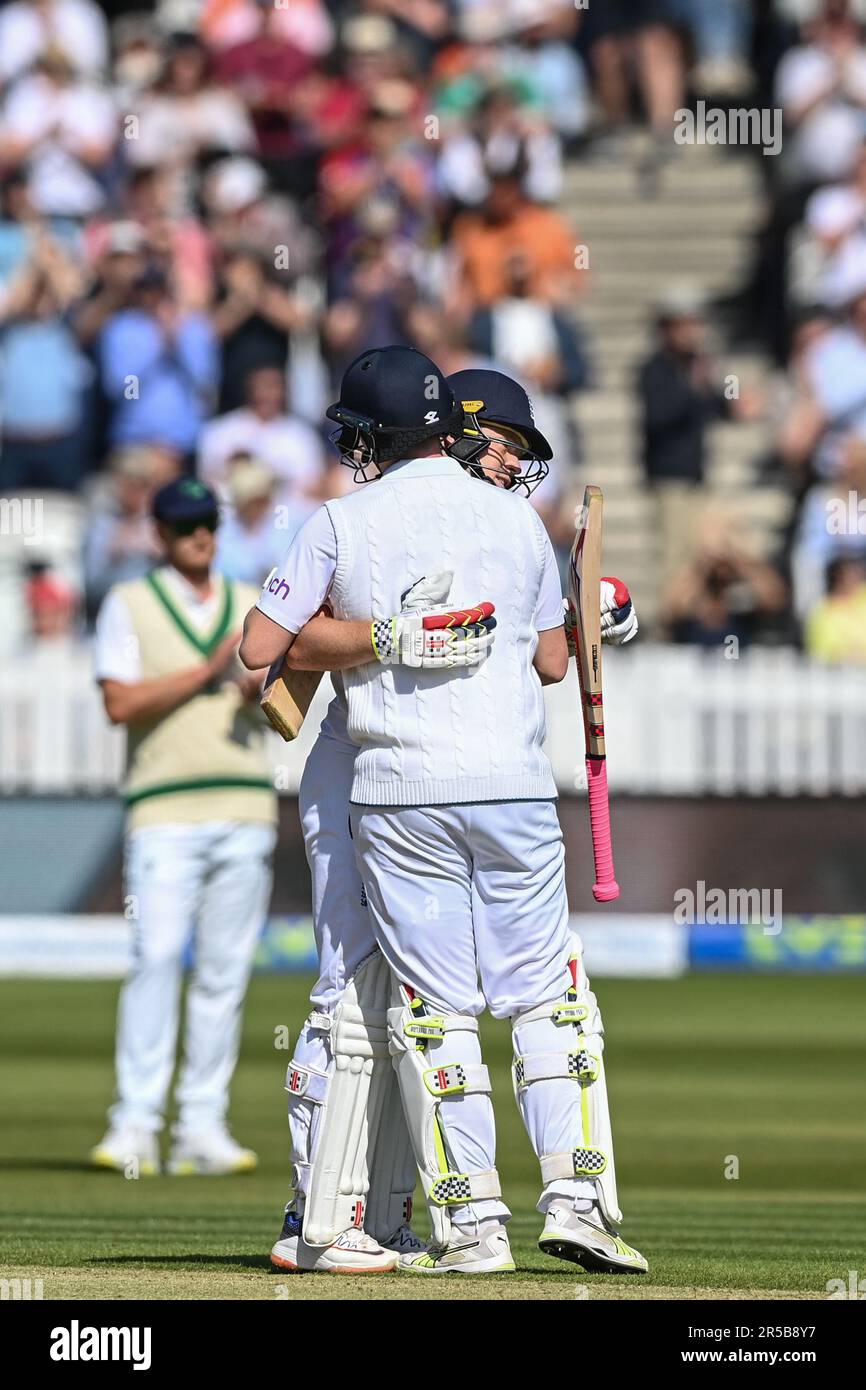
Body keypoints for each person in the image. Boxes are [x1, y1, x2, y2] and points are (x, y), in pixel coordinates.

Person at [241, 347, 646, 1276]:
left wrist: (597, 616)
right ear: (452, 429)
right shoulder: (480, 522)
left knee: (438, 1009)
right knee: (370, 999)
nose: (512, 461)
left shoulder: (396, 516)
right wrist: (389, 635)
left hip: (407, 788)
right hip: (399, 781)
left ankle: (456, 1223)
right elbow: (269, 658)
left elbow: (548, 651)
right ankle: (336, 1209)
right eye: (500, 441)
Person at [90, 478, 276, 1176]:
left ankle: (202, 1123)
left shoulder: (253, 602)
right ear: (160, 534)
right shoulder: (129, 603)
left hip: (244, 805)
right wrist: (206, 672)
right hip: (163, 809)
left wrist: (253, 692)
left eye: (207, 523)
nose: (200, 535)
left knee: (224, 975)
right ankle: (135, 1122)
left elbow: (279, 702)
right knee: (157, 959)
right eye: (184, 525)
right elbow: (119, 703)